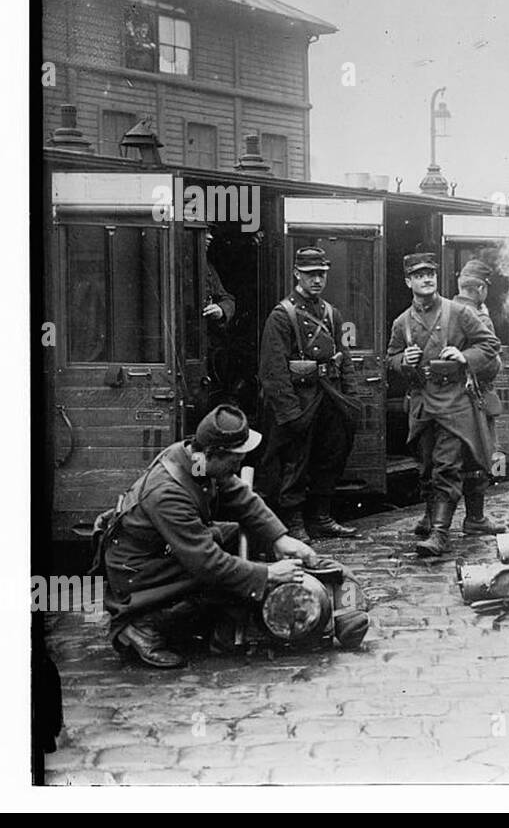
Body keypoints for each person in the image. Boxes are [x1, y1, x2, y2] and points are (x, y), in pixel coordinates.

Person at [96, 405, 326, 669]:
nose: (240, 463)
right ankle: (142, 627)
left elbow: (238, 495)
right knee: (217, 578)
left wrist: (279, 539)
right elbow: (207, 563)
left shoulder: (197, 461)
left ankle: (225, 616)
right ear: (214, 453)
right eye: (235, 458)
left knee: (234, 546)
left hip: (163, 552)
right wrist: (268, 574)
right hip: (138, 571)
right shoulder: (168, 494)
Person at [387, 251, 502, 558]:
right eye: (419, 274)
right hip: (423, 403)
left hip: (454, 402)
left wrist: (465, 357)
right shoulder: (402, 322)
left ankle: (440, 534)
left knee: (447, 466)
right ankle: (432, 518)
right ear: (408, 281)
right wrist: (403, 361)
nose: (427, 279)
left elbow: (490, 345)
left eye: (431, 274)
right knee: (426, 466)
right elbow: (391, 358)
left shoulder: (458, 313)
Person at [258, 246, 363, 542]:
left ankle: (321, 518)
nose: (317, 280)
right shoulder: (282, 316)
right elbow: (273, 371)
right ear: (296, 274)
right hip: (301, 401)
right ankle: (294, 523)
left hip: (330, 397)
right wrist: (290, 413)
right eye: (310, 274)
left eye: (321, 274)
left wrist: (351, 399)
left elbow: (345, 358)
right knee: (295, 462)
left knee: (330, 457)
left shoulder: (332, 313)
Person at [452, 258, 506, 535]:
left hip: (449, 401)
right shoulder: (479, 316)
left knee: (446, 460)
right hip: (476, 398)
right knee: (481, 458)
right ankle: (475, 518)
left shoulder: (446, 310)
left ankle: (431, 521)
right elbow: (489, 363)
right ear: (482, 289)